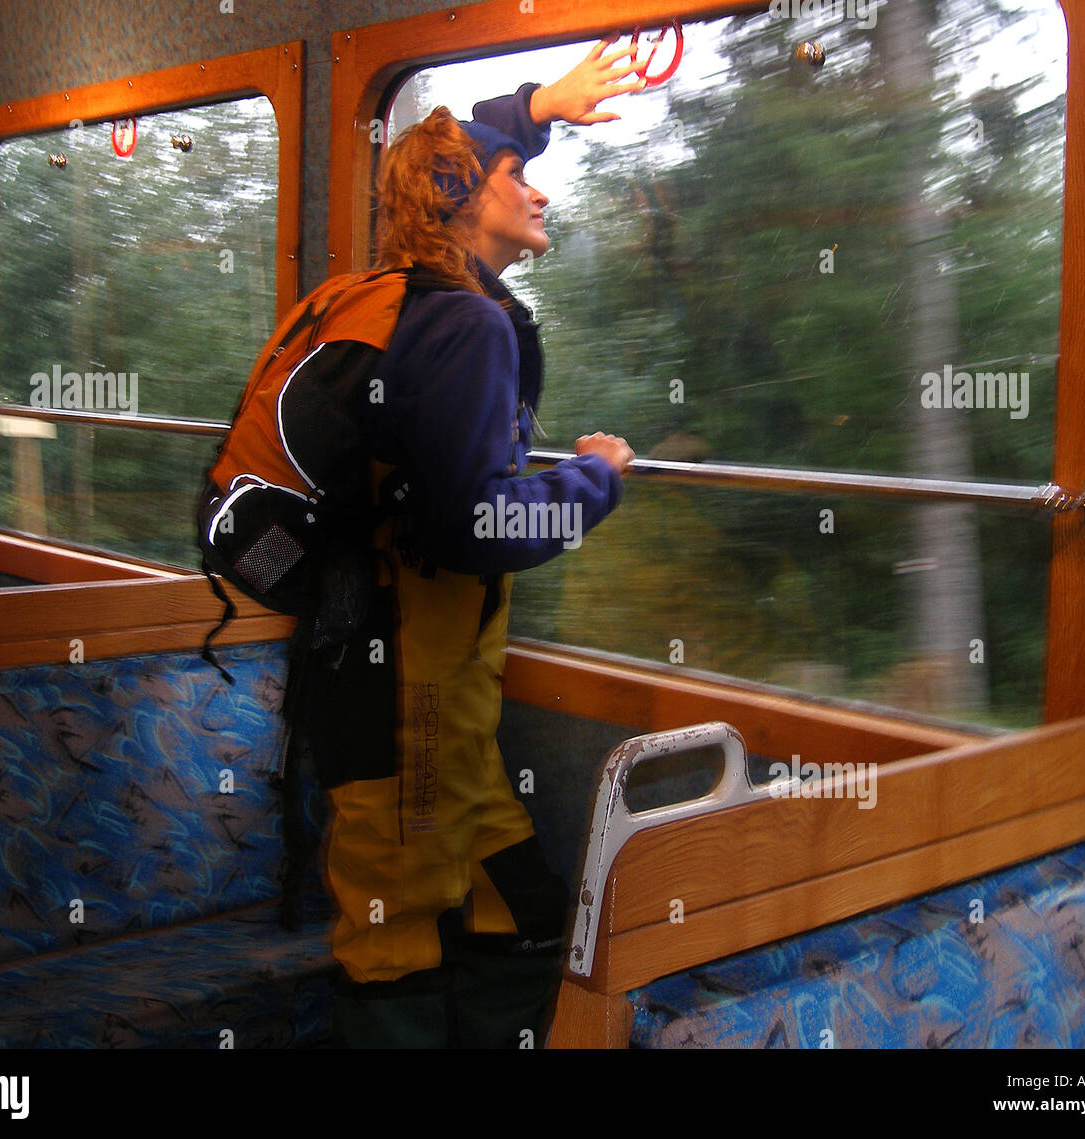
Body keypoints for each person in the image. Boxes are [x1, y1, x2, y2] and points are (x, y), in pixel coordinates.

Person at [301, 38, 641, 1049]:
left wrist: (539, 104)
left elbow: (448, 146)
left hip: (421, 680)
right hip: (403, 676)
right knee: (392, 927)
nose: (536, 195)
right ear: (462, 198)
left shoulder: (399, 299)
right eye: (517, 175)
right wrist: (597, 479)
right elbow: (469, 522)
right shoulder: (465, 325)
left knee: (519, 902)